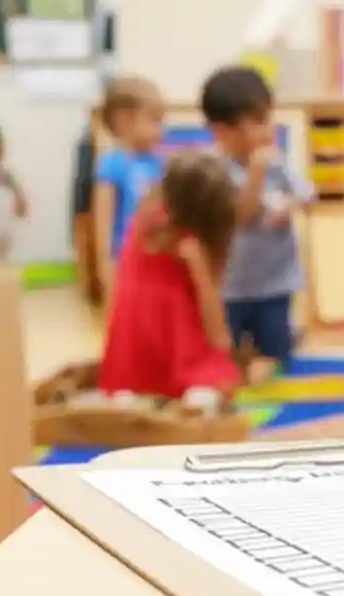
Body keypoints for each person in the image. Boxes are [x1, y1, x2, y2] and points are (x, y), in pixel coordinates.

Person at [97, 151, 239, 411]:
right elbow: (217, 335)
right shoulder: (145, 228)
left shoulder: (185, 241)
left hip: (175, 358)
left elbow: (217, 334)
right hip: (145, 359)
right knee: (130, 406)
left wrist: (199, 271)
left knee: (200, 399)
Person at [201, 66, 314, 376]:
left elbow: (307, 198)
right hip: (231, 289)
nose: (267, 130)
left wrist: (289, 205)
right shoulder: (215, 170)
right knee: (225, 363)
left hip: (275, 284)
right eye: (256, 123)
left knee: (277, 360)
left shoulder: (276, 161)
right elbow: (239, 215)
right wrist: (255, 172)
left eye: (267, 118)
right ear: (223, 132)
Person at [95, 76, 165, 265]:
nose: (161, 129)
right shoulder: (112, 165)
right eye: (154, 120)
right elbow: (103, 227)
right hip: (127, 261)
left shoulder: (162, 163)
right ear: (123, 120)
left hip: (158, 258)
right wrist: (107, 273)